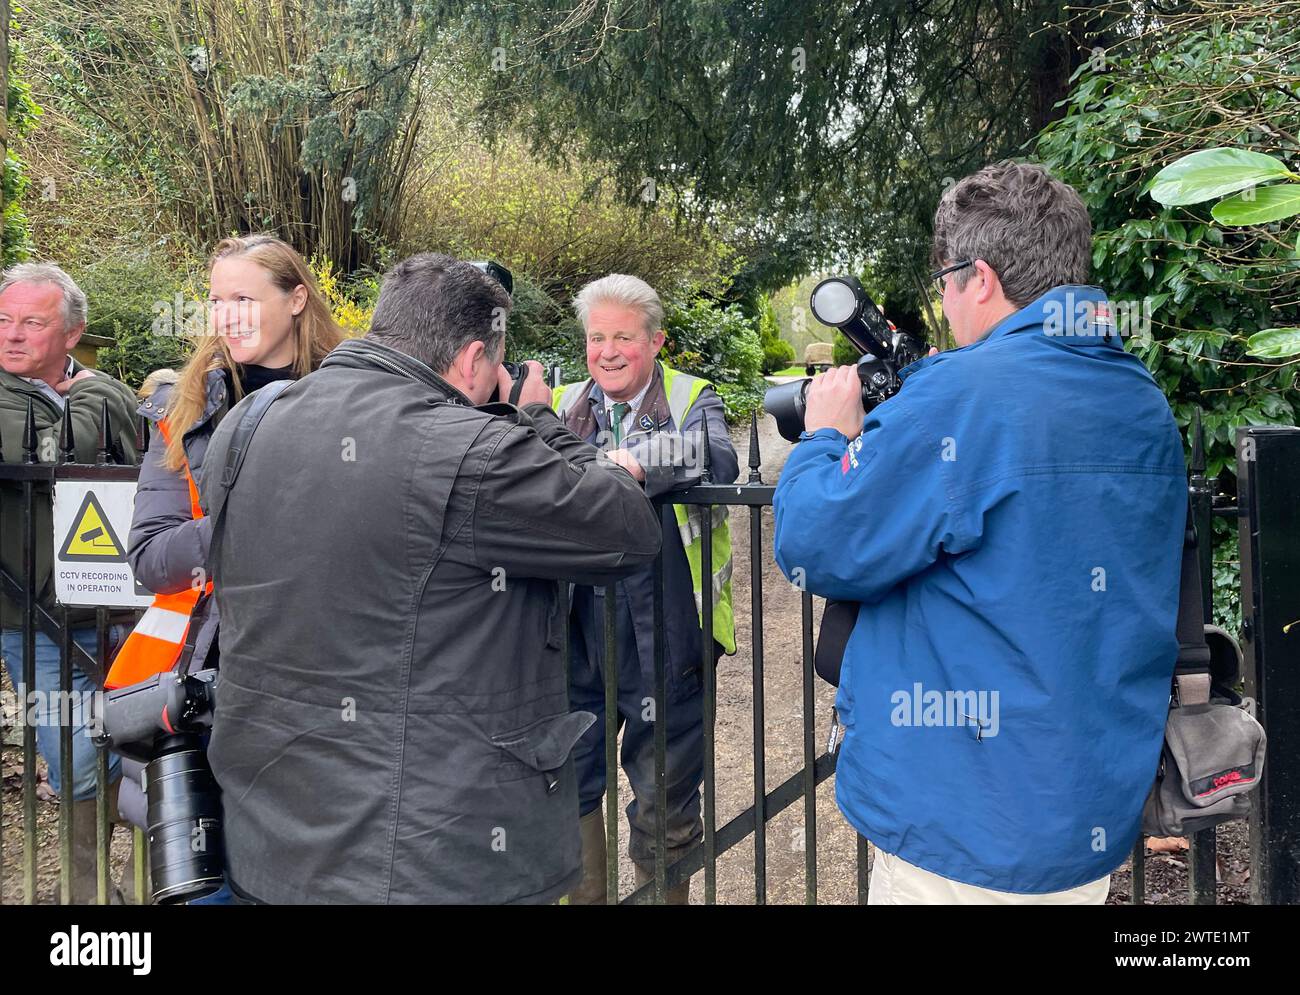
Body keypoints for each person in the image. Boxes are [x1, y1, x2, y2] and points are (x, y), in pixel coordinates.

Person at [773, 162, 1185, 904]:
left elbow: (816, 541)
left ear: (981, 277)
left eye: (945, 282)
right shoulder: (1140, 396)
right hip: (1085, 814)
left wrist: (825, 437)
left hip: (962, 827)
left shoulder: (965, 395)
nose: (944, 300)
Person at [200, 253, 661, 904]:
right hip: (427, 864)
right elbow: (626, 529)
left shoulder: (249, 425)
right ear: (475, 359)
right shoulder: (469, 450)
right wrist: (537, 420)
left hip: (270, 844)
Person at [108, 234, 342, 837]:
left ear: (297, 299)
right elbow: (152, 560)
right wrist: (249, 517)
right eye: (217, 300)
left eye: (244, 297)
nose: (227, 316)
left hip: (331, 674)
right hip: (214, 683)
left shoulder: (357, 398)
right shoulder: (183, 407)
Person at [553, 274, 737, 904]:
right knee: (573, 777)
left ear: (656, 341)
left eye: (624, 338)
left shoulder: (691, 397)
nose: (607, 351)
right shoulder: (560, 400)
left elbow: (719, 456)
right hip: (574, 623)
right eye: (596, 337)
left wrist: (635, 461)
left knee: (665, 787)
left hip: (668, 624)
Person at [0, 262, 140, 902]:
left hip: (117, 615)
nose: (13, 335)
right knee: (76, 756)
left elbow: (130, 458)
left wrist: (89, 393)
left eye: (33, 321)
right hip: (30, 618)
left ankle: (136, 878)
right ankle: (86, 891)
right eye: (4, 319)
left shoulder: (99, 390)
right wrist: (90, 395)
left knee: (137, 739)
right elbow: (58, 451)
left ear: (73, 330)